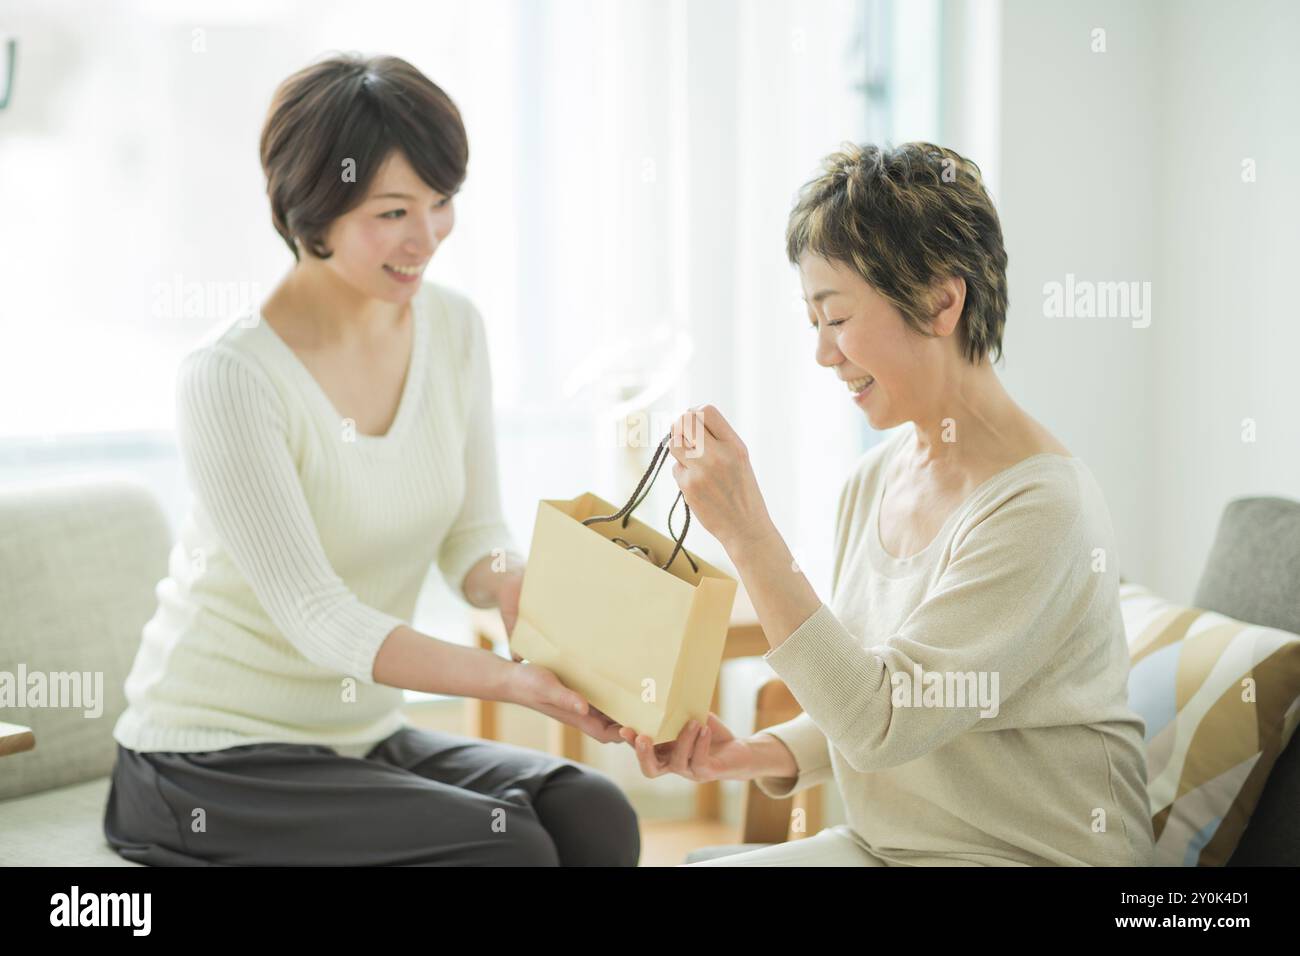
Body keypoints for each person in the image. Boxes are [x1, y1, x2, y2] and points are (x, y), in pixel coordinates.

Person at [103, 53, 637, 867]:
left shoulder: (454, 329)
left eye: (442, 202)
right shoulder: (231, 377)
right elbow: (318, 614)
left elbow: (475, 535)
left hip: (357, 739)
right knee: (512, 852)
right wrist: (507, 682)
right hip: (203, 763)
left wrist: (519, 595)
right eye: (392, 211)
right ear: (312, 209)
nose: (426, 238)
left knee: (592, 813)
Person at [620, 142, 1156, 867]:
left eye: (836, 317)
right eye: (812, 321)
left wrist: (748, 535)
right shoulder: (872, 482)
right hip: (891, 849)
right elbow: (869, 696)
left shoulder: (1043, 509)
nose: (822, 353)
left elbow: (884, 721)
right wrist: (748, 754)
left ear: (941, 300)